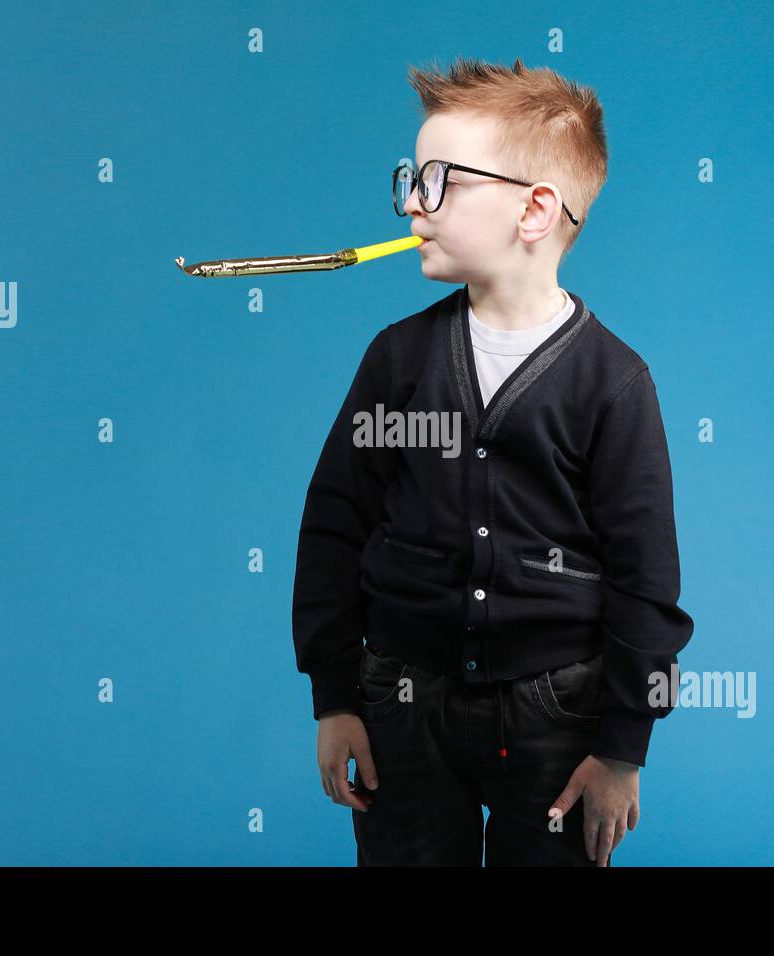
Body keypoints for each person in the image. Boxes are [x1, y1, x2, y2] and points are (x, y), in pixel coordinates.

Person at [291, 55, 695, 866]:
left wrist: (622, 749)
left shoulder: (614, 384)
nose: (413, 203)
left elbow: (644, 578)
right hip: (400, 707)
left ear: (536, 210)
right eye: (410, 177)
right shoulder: (397, 360)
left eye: (441, 180)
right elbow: (336, 525)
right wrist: (335, 698)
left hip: (557, 718)